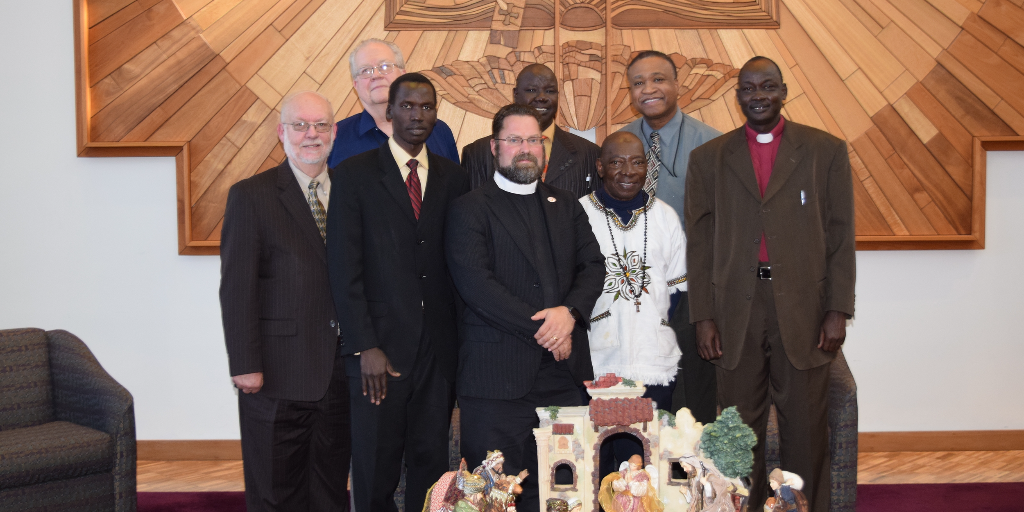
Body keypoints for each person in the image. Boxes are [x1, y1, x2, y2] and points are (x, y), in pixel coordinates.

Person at [684, 56, 856, 512]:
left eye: (767, 86)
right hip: (734, 310)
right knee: (737, 433)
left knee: (805, 429)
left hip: (804, 308)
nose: (758, 95)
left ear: (783, 91)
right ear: (737, 95)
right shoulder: (709, 159)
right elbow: (698, 245)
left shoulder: (826, 150)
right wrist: (703, 316)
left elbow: (841, 235)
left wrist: (838, 309)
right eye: (748, 88)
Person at [445, 104, 605, 512]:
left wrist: (569, 314)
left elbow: (593, 266)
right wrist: (549, 330)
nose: (525, 148)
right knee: (493, 498)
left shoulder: (566, 204)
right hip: (496, 383)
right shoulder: (470, 208)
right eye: (514, 139)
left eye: (533, 139)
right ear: (495, 147)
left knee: (564, 494)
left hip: (564, 378)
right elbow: (477, 287)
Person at [326, 73, 469, 512]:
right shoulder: (352, 175)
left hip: (438, 350)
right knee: (375, 464)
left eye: (426, 107)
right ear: (388, 112)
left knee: (430, 464)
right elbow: (343, 268)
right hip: (379, 353)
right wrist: (363, 344)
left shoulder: (452, 176)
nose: (417, 115)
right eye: (407, 106)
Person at [220, 91, 350, 511]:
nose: (311, 134)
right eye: (300, 125)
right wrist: (245, 364)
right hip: (276, 374)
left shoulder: (354, 192)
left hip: (341, 374)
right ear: (281, 133)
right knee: (276, 492)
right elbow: (237, 288)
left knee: (329, 489)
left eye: (321, 125)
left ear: (334, 132)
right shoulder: (251, 195)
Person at [617, 50, 721, 424]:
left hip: (689, 294)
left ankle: (694, 481)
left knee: (691, 402)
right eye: (639, 83)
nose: (649, 89)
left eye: (658, 79)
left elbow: (724, 229)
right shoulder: (618, 143)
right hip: (631, 294)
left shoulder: (712, 146)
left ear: (677, 85)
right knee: (638, 400)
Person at [581, 132, 686, 476]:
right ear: (600, 167)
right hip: (596, 363)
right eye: (617, 162)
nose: (628, 171)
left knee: (645, 468)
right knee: (595, 467)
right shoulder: (577, 215)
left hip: (651, 363)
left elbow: (678, 292)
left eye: (637, 162)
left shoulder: (665, 217)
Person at [461, 64, 601, 198]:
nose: (541, 97)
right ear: (515, 94)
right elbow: (474, 213)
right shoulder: (477, 153)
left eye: (550, 91)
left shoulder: (589, 154)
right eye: (531, 90)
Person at [327, 38, 460, 168]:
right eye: (365, 70)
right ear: (355, 84)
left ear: (402, 75)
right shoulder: (334, 140)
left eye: (385, 66)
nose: (376, 75)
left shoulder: (439, 131)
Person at [598, 455, 663, 512]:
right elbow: (615, 486)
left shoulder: (642, 475)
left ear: (639, 466)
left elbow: (643, 490)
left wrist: (631, 483)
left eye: (634, 465)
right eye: (631, 464)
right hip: (621, 500)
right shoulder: (624, 472)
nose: (631, 467)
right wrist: (623, 482)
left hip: (636, 502)